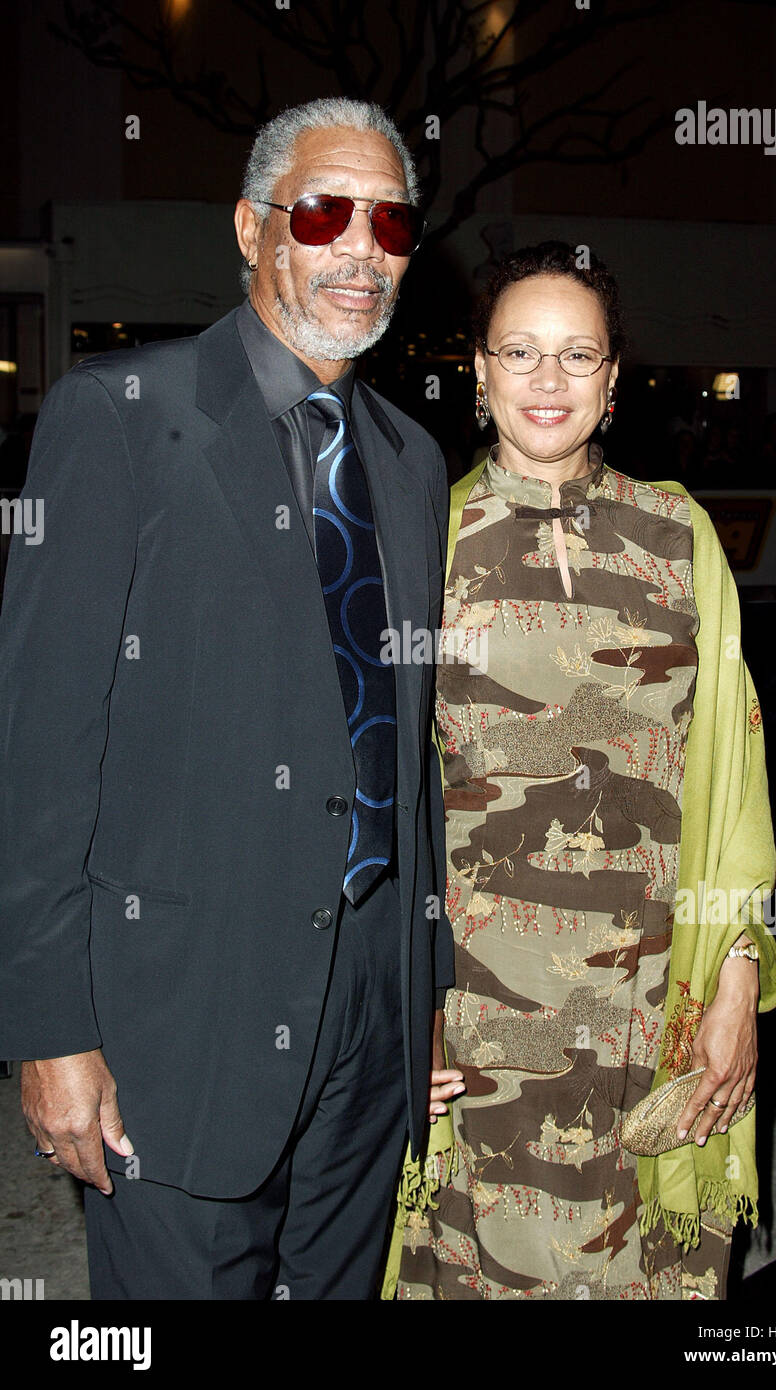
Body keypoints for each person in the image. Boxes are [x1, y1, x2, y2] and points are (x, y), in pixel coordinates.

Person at [0, 96, 463, 1301]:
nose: (361, 247)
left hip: (370, 1007)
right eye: (325, 212)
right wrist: (47, 1030)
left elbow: (402, 759)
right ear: (254, 227)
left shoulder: (411, 463)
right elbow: (38, 756)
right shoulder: (117, 418)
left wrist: (426, 990)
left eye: (392, 223)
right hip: (179, 1012)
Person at [387, 241, 776, 1300]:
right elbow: (385, 792)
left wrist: (734, 975)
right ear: (476, 371)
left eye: (577, 355)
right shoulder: (423, 541)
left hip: (661, 995)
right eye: (520, 352)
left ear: (612, 380)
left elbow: (734, 778)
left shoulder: (676, 533)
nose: (547, 380)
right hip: (477, 1006)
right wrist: (393, 999)